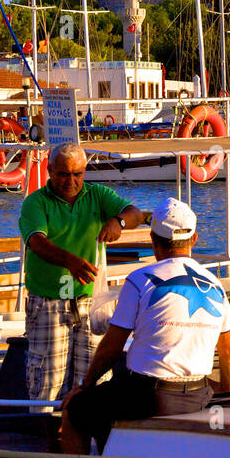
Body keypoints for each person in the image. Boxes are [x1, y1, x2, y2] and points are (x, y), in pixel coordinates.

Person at [60, 197, 230, 458]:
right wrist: (225, 392)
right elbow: (229, 353)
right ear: (194, 239)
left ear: (153, 239)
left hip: (149, 396)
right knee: (113, 394)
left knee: (76, 411)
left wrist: (84, 386)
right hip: (197, 394)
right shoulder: (216, 285)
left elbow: (111, 347)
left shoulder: (140, 280)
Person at [18, 142, 148, 415]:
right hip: (49, 302)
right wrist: (71, 262)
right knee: (47, 379)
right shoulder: (36, 202)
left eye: (77, 174)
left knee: (94, 375)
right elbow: (37, 242)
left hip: (91, 301)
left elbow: (135, 213)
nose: (71, 181)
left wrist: (118, 222)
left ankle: (84, 445)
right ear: (49, 170)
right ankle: (52, 449)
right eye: (64, 174)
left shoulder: (98, 195)